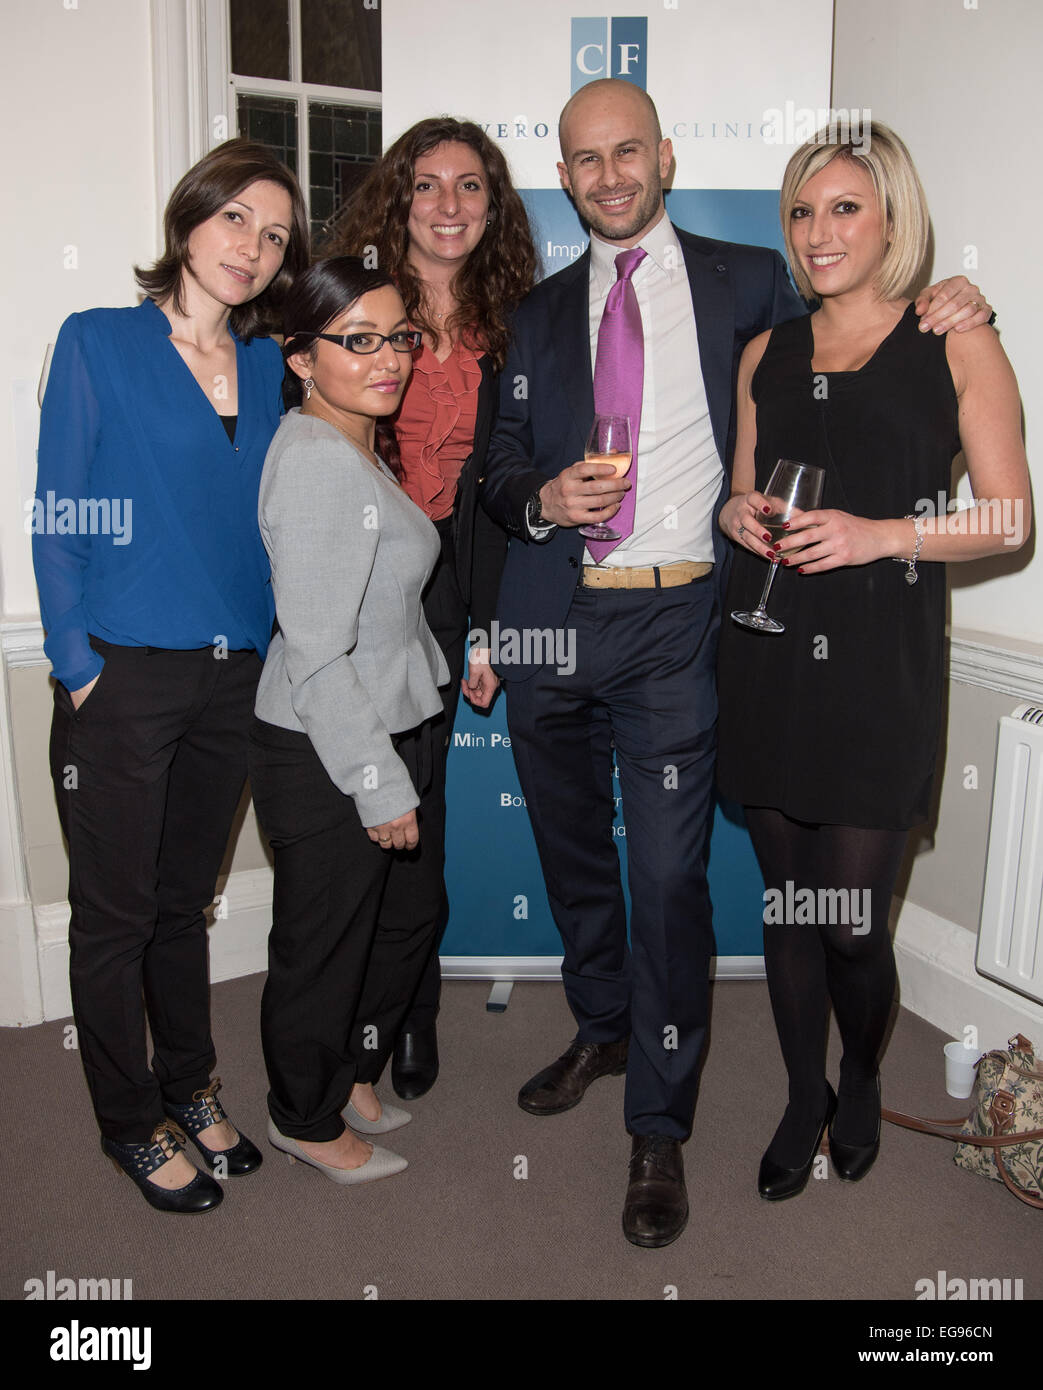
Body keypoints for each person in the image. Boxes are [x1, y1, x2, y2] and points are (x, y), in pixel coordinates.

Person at [479, 78, 994, 1248]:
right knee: (575, 865)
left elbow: (878, 309)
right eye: (583, 160)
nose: (607, 175)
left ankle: (657, 1128)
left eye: (627, 152)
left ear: (663, 156)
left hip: (677, 629)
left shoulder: (749, 283)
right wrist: (540, 498)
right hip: (552, 620)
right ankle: (603, 1021)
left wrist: (965, 297)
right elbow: (495, 468)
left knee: (667, 882)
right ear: (562, 176)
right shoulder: (536, 312)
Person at [715, 122, 1030, 1201]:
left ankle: (859, 1070)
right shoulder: (766, 352)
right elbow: (737, 489)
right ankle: (804, 1093)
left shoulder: (952, 339)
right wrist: (736, 513)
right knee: (787, 905)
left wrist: (877, 532)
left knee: (849, 918)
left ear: (891, 217)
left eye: (844, 207)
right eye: (801, 211)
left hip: (877, 666)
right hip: (763, 654)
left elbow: (1007, 516)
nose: (817, 231)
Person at [33, 140, 309, 1212]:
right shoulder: (100, 342)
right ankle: (127, 1122)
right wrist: (75, 667)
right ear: (190, 217)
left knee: (179, 904)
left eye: (275, 233)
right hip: (124, 678)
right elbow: (59, 515)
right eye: (236, 217)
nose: (252, 246)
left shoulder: (274, 371)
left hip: (232, 678)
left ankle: (189, 1087)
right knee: (111, 915)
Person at [325, 118, 537, 1098]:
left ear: (490, 206)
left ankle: (408, 1013)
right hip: (360, 583)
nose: (447, 205)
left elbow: (502, 492)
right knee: (361, 806)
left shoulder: (512, 323)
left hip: (450, 589)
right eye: (426, 185)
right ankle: (347, 1015)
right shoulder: (360, 302)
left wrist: (489, 619)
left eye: (468, 187)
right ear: (396, 199)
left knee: (424, 810)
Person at [248, 257, 449, 1184]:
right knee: (322, 945)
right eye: (356, 340)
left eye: (397, 336)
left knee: (386, 926)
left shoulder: (355, 443)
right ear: (300, 356)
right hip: (327, 744)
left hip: (383, 718)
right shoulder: (321, 465)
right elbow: (317, 651)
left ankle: (346, 1073)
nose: (388, 359)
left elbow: (385, 609)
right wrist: (378, 780)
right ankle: (302, 1114)